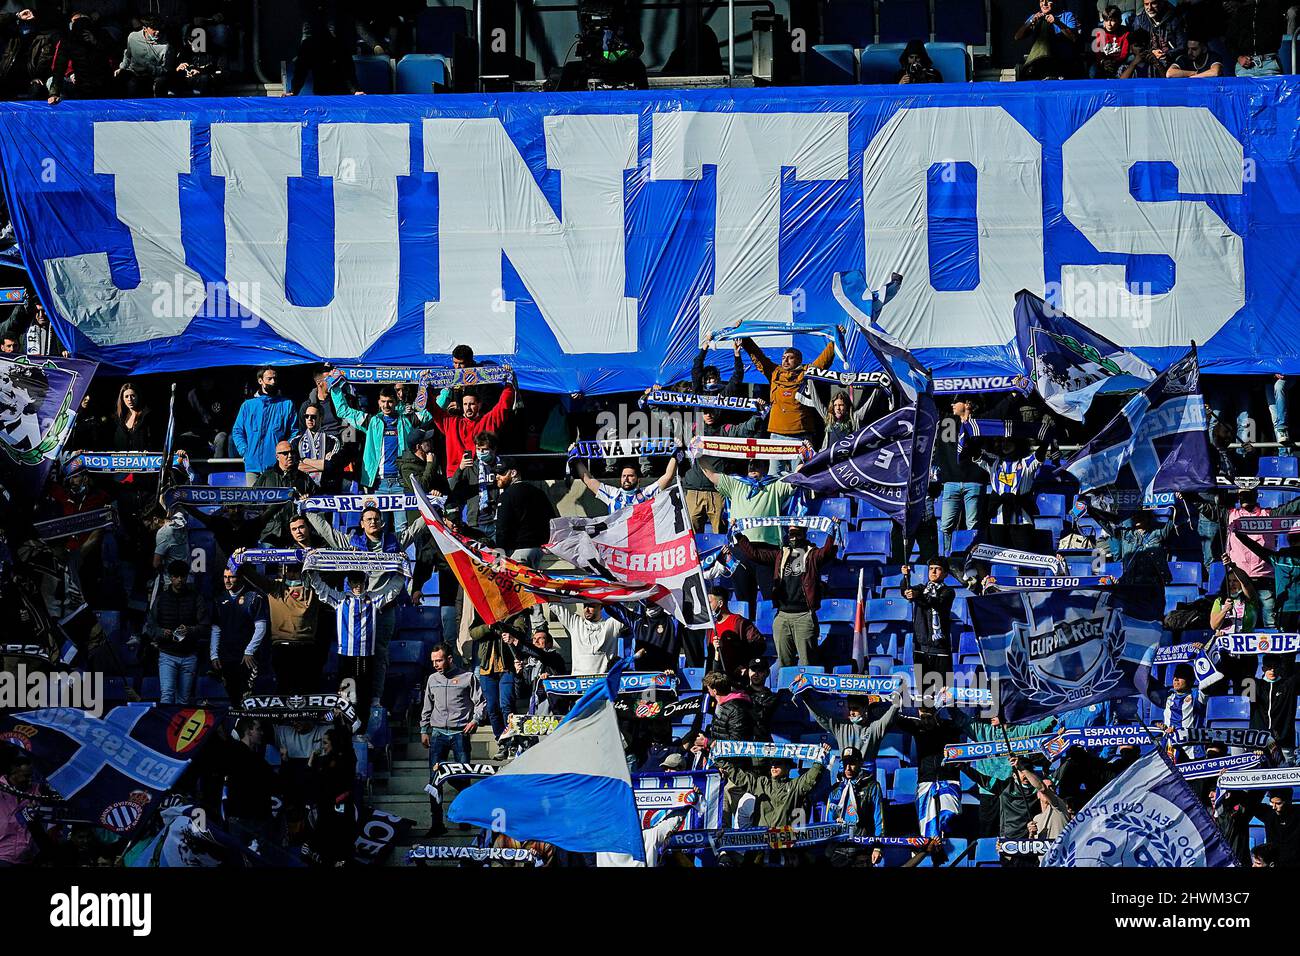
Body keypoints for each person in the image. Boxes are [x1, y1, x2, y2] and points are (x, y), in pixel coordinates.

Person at [305, 567, 405, 732]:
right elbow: (321, 589)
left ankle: (362, 732)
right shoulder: (340, 599)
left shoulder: (373, 599)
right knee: (346, 695)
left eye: (360, 581)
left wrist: (402, 571)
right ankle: (345, 730)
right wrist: (311, 571)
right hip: (346, 657)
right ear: (349, 582)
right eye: (354, 582)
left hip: (366, 656)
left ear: (365, 582)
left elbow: (392, 589)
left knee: (364, 695)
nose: (357, 585)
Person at [327, 380, 431, 533]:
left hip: (401, 483)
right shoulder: (371, 421)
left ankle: (402, 557)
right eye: (383, 401)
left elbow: (428, 415)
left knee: (402, 529)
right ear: (378, 402)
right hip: (378, 484)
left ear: (396, 402)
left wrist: (427, 386)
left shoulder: (408, 419)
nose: (386, 405)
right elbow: (344, 411)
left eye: (390, 402)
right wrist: (335, 387)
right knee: (378, 528)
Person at [733, 524, 838, 668]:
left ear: (804, 534)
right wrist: (739, 536)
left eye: (797, 534)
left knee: (807, 663)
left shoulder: (812, 554)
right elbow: (755, 554)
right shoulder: (781, 554)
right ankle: (785, 690)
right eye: (791, 534)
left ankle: (807, 691)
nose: (793, 538)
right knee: (784, 663)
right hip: (782, 616)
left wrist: (832, 533)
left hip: (804, 616)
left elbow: (827, 552)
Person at [419, 642, 488, 837]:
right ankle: (437, 823)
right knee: (434, 781)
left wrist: (475, 720)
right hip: (438, 733)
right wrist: (424, 730)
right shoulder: (432, 679)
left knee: (463, 777)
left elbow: (481, 702)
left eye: (439, 660)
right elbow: (427, 706)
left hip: (460, 733)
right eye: (433, 661)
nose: (436, 664)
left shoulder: (468, 677)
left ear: (450, 659)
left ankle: (464, 818)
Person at [740, 333, 838, 467]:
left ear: (799, 360)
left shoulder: (807, 372)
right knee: (774, 477)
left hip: (801, 436)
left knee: (798, 476)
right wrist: (745, 337)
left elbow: (823, 361)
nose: (785, 361)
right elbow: (758, 357)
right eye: (783, 358)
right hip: (776, 435)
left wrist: (836, 340)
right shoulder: (774, 372)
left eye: (790, 358)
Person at [235, 556, 324, 695]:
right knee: (283, 690)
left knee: (307, 692)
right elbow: (250, 574)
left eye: (296, 570)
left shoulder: (315, 588)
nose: (292, 573)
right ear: (283, 570)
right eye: (289, 569)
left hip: (307, 648)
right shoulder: (275, 587)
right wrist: (239, 558)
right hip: (282, 648)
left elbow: (333, 576)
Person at [709, 741, 830, 830]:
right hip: (761, 841)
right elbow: (738, 775)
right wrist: (718, 758)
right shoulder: (761, 783)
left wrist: (822, 755)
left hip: (785, 842)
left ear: (787, 767)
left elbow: (811, 777)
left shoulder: (795, 785)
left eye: (778, 764)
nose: (773, 767)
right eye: (772, 764)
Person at [147, 560, 210, 705]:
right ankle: (165, 728)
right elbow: (150, 627)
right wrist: (162, 632)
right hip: (167, 655)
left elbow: (205, 627)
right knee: (167, 695)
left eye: (183, 576)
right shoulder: (161, 599)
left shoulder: (196, 598)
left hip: (189, 656)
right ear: (170, 577)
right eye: (176, 576)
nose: (180, 580)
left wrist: (190, 630)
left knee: (183, 699)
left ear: (187, 577)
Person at [428, 378, 515, 479]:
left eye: (472, 404)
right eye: (465, 404)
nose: (468, 407)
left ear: (479, 405)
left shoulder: (487, 420)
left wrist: (509, 382)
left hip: (481, 475)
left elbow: (504, 405)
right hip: (455, 475)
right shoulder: (451, 422)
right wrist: (425, 387)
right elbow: (432, 408)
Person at [935, 394, 988, 555]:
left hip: (974, 481)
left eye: (955, 402)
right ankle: (945, 559)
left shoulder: (980, 423)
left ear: (967, 404)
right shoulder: (948, 423)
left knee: (973, 524)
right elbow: (947, 450)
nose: (952, 405)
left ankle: (972, 557)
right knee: (945, 525)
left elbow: (978, 448)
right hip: (951, 482)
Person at [466, 613, 525, 756]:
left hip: (507, 667)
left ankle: (511, 740)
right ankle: (501, 740)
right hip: (487, 667)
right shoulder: (483, 612)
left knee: (506, 705)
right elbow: (473, 632)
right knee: (492, 707)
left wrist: (506, 629)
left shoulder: (514, 612)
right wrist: (489, 627)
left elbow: (521, 632)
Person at [210, 565, 268, 703]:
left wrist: (249, 650)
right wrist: (214, 654)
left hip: (247, 659)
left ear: (241, 578)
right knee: (232, 698)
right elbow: (216, 628)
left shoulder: (253, 597)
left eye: (231, 577)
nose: (227, 581)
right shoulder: (219, 599)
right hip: (227, 657)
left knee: (248, 699)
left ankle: (252, 725)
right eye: (225, 577)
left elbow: (261, 626)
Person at [491, 457, 558, 569]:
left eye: (501, 473)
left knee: (518, 586)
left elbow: (502, 528)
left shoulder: (506, 496)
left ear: (513, 473)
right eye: (496, 473)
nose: (497, 476)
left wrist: (498, 555)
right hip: (540, 552)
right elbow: (552, 521)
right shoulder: (539, 492)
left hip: (518, 553)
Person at [901, 556, 956, 693]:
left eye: (938, 569)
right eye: (931, 569)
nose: (933, 572)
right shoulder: (921, 588)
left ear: (945, 574)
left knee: (944, 692)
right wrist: (905, 578)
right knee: (925, 692)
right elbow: (906, 592)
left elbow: (935, 602)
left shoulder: (948, 591)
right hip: (921, 647)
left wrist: (916, 595)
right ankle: (925, 714)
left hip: (940, 648)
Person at [825, 746, 886, 866]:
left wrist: (877, 847)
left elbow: (879, 820)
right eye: (845, 763)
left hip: (862, 848)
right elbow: (828, 820)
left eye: (852, 763)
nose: (848, 768)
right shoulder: (835, 789)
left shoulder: (872, 786)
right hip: (839, 849)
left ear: (860, 763)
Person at [306, 726, 357, 866]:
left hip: (340, 810)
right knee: (324, 847)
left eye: (325, 743)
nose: (323, 747)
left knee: (341, 846)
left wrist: (338, 721)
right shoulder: (321, 761)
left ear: (334, 743)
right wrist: (311, 762)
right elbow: (312, 782)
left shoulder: (345, 760)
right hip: (325, 810)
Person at [232, 367, 298, 478]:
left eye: (275, 378)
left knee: (276, 495)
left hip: (278, 467)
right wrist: (245, 451)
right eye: (269, 379)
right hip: (253, 466)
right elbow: (237, 431)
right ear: (260, 381)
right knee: (253, 495)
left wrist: (285, 453)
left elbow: (294, 432)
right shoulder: (248, 406)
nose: (273, 382)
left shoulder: (287, 404)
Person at [1226, 488, 1276, 627]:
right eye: (1242, 494)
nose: (1245, 497)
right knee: (1243, 624)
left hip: (1265, 576)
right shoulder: (1230, 514)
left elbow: (1291, 508)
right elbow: (1206, 507)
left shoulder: (1269, 514)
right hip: (1239, 577)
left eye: (1248, 493)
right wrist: (1188, 496)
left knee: (1270, 623)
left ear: (1255, 495)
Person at [223, 717, 277, 847]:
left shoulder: (242, 754)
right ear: (248, 731)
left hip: (247, 817)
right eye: (258, 729)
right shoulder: (242, 755)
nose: (262, 733)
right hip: (248, 819)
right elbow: (273, 782)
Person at [252, 441, 316, 546]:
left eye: (292, 452)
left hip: (297, 534)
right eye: (285, 453)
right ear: (277, 456)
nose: (290, 456)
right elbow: (253, 504)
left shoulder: (304, 478)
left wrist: (308, 500)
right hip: (272, 533)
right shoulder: (266, 477)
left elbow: (316, 502)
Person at [571, 453, 679, 514]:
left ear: (638, 480)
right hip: (617, 541)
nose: (626, 478)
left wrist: (675, 454)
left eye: (630, 476)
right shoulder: (612, 493)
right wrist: (576, 459)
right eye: (624, 476)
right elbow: (589, 481)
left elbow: (668, 477)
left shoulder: (646, 493)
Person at [47, 13, 116, 102]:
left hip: (104, 83)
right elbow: (59, 67)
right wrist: (54, 93)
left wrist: (96, 43)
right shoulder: (68, 41)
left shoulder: (101, 35)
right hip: (80, 84)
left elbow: (114, 53)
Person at [547, 602, 624, 675]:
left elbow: (629, 612)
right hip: (578, 684)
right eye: (584, 606)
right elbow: (555, 606)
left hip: (603, 684)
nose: (586, 610)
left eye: (591, 606)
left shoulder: (612, 625)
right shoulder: (575, 623)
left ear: (601, 606)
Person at [706, 587, 765, 679]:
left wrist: (746, 666)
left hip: (737, 679)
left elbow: (759, 645)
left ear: (720, 603)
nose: (707, 606)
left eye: (709, 602)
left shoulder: (739, 622)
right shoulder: (711, 627)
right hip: (719, 680)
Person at [1016, 0, 1082, 79]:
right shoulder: (1036, 16)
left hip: (1062, 63)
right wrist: (1031, 22)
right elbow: (1017, 37)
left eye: (1048, 1)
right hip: (1038, 63)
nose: (1044, 4)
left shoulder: (1067, 16)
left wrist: (1057, 22)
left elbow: (1074, 38)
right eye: (1041, 1)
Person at [1251, 656, 1299, 758]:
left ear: (1281, 667)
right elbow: (1244, 672)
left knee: (1287, 770)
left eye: (1275, 667)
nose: (1272, 670)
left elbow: (1290, 661)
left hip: (1284, 742)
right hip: (1261, 743)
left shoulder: (1288, 685)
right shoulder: (1254, 685)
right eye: (1269, 667)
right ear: (1263, 668)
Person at [115, 14, 175, 96]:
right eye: (154, 29)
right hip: (135, 73)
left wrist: (152, 69)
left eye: (159, 29)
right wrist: (122, 68)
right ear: (145, 28)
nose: (157, 32)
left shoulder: (166, 47)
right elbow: (128, 55)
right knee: (126, 80)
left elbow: (166, 69)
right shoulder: (132, 37)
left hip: (153, 77)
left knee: (160, 82)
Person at [1157, 663, 1206, 759]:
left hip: (1192, 753)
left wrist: (1205, 650)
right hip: (1169, 750)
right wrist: (1160, 726)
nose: (1176, 679)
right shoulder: (1168, 696)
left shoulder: (1197, 696)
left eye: (1181, 677)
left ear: (1190, 681)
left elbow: (1210, 679)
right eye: (1175, 676)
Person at [1226, 0, 1285, 76]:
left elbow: (1279, 34)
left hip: (1269, 63)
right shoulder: (1240, 12)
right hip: (1244, 66)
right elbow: (1230, 41)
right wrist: (1239, 57)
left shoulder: (1274, 8)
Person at [0, 753, 39, 866]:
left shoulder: (36, 790)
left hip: (26, 856)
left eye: (31, 776)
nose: (30, 780)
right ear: (13, 773)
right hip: (3, 854)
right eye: (26, 776)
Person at [294, 404, 341, 490]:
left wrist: (304, 460)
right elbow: (294, 467)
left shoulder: (332, 441)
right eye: (306, 416)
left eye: (313, 416)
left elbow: (331, 466)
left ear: (321, 418)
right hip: (303, 489)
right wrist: (321, 465)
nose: (309, 419)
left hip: (326, 488)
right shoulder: (296, 441)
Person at [1131, 0, 1186, 65]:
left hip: (1171, 59)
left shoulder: (1175, 19)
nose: (1149, 8)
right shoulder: (1140, 20)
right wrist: (1151, 52)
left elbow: (1183, 46)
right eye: (1146, 4)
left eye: (1153, 3)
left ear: (1162, 2)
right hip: (1148, 58)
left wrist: (1167, 54)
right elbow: (1135, 46)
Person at [113, 381, 154, 451]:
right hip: (122, 460)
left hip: (143, 459)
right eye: (126, 396)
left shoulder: (147, 415)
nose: (130, 399)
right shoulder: (118, 418)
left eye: (133, 396)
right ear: (122, 399)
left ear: (138, 396)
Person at [1263, 789, 1300, 866]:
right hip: (1275, 862)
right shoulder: (1268, 813)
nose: (1274, 807)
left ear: (1288, 802)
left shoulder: (1297, 813)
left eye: (1278, 803)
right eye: (1271, 802)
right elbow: (1249, 802)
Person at [1091, 5, 1131, 77]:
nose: (1109, 24)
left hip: (1119, 62)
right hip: (1103, 63)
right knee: (1092, 71)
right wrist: (1103, 62)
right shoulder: (1100, 33)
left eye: (1112, 20)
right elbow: (1098, 53)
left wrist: (1114, 62)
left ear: (1119, 21)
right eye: (1106, 20)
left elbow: (1124, 53)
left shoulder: (1125, 33)